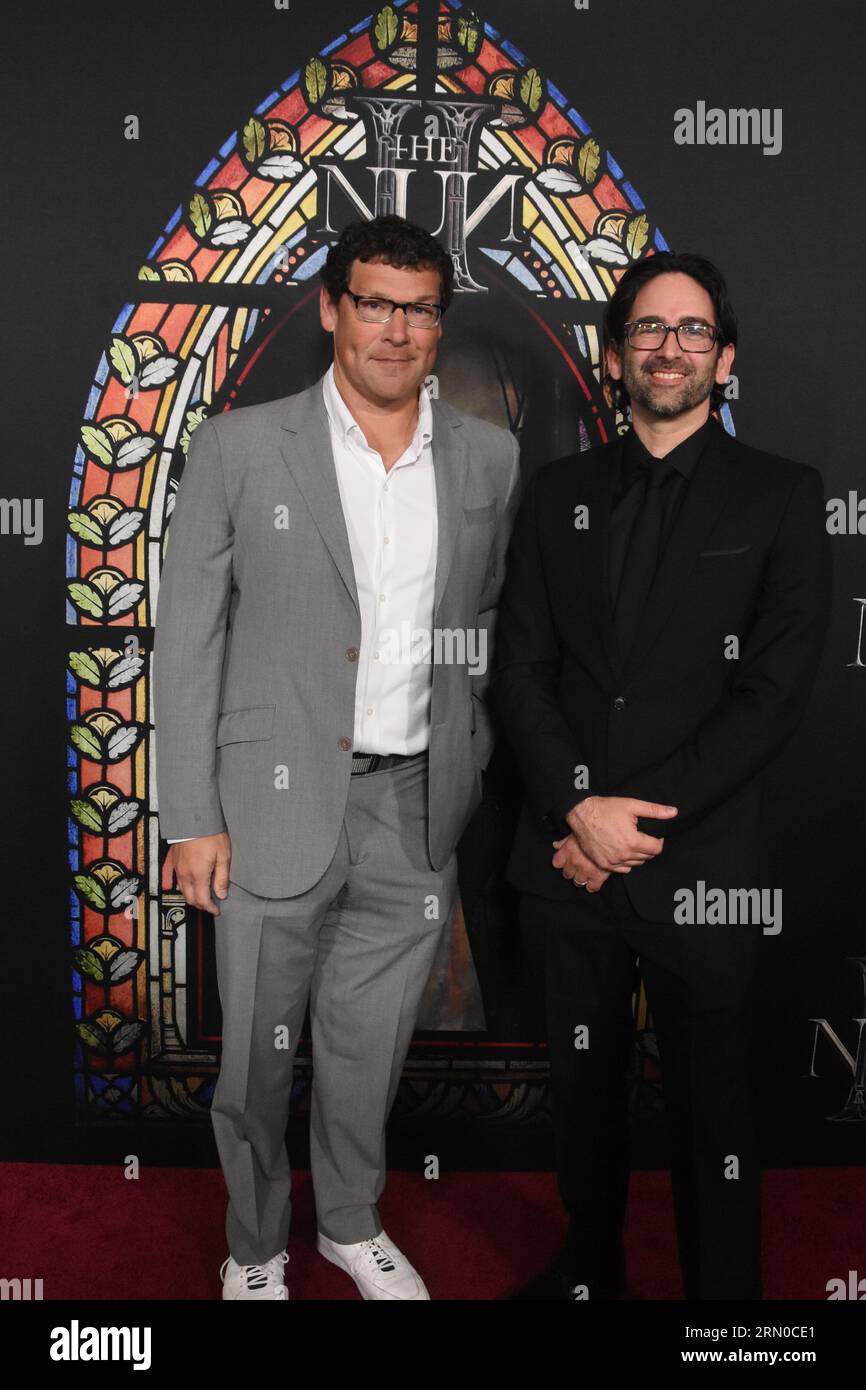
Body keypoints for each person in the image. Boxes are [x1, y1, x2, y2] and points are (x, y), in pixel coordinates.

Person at [153, 214, 521, 1300]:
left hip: (414, 807)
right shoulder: (238, 445)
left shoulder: (489, 456)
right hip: (268, 805)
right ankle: (256, 1244)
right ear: (330, 308)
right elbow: (189, 639)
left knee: (368, 1052)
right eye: (373, 302)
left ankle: (348, 1222)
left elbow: (495, 622)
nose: (396, 330)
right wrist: (188, 816)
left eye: (418, 309)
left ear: (437, 325)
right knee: (257, 1061)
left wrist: (472, 750)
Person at [491, 252, 831, 1300]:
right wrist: (575, 809)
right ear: (612, 354)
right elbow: (518, 668)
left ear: (721, 359)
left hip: (699, 864)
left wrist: (630, 824)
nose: (668, 347)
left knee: (713, 1115)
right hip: (570, 858)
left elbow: (768, 697)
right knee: (581, 1100)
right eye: (647, 328)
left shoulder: (779, 495)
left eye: (691, 331)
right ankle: (588, 1270)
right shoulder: (554, 494)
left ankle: (720, 1310)